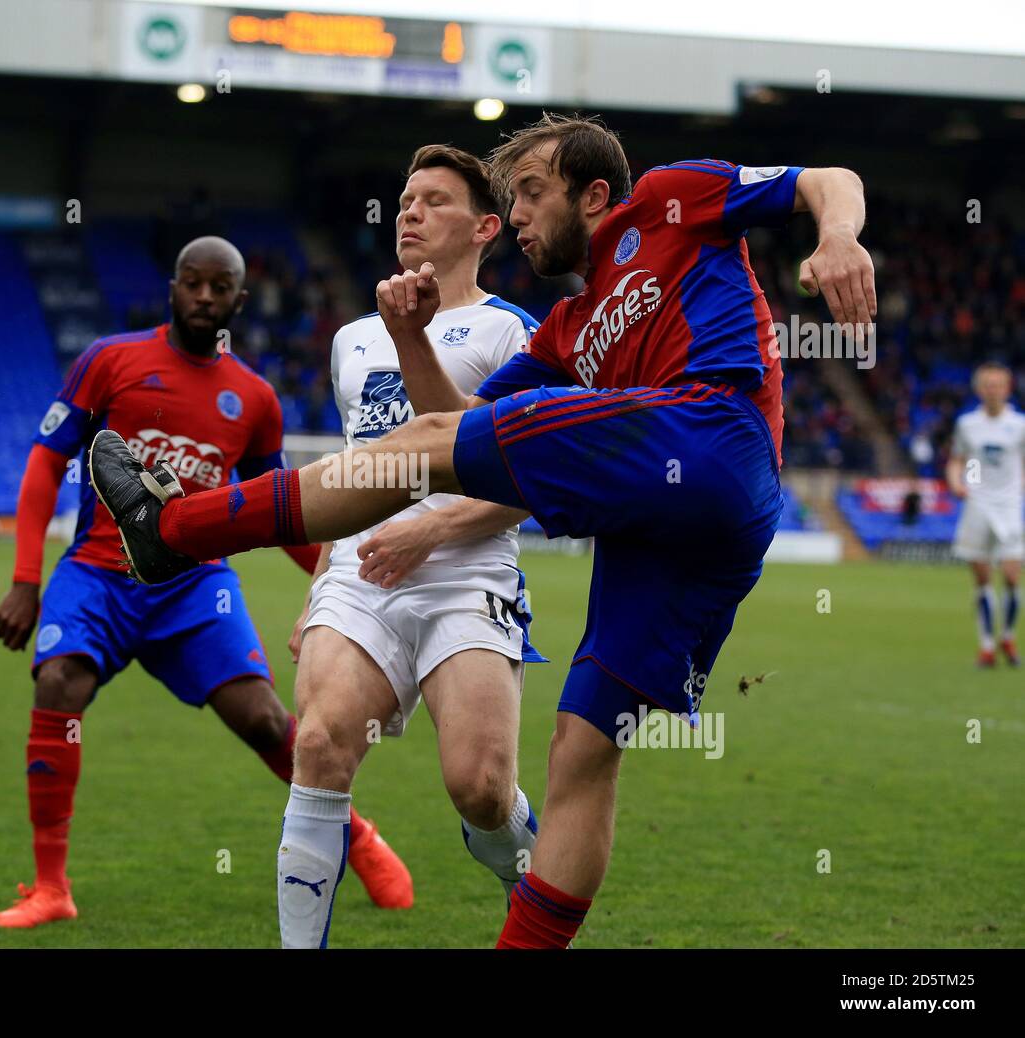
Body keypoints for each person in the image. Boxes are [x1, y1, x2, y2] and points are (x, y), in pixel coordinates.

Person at [88, 113, 876, 948]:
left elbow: (829, 178)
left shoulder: (671, 197)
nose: (523, 216)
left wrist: (837, 239)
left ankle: (174, 528)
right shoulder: (571, 332)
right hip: (680, 532)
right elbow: (454, 427)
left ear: (596, 193)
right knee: (580, 751)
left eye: (532, 193)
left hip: (710, 432)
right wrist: (409, 336)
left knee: (415, 460)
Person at [0, 235, 412, 930]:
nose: (205, 296)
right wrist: (25, 579)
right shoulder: (110, 360)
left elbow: (284, 515)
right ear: (174, 288)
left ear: (239, 301)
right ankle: (50, 887)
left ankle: (359, 838)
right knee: (57, 684)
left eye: (220, 288)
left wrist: (345, 583)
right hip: (98, 574)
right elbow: (44, 463)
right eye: (193, 283)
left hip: (193, 589)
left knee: (264, 719)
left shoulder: (254, 398)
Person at [278, 145, 546, 949]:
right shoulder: (353, 338)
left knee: (479, 787)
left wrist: (433, 524)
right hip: (360, 577)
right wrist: (318, 581)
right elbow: (356, 469)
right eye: (404, 201)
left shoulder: (518, 336)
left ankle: (521, 874)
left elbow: (531, 480)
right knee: (320, 743)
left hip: (468, 577)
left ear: (485, 227)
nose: (410, 213)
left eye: (432, 200)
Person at [946, 360, 1025, 667]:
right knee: (981, 579)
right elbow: (957, 459)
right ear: (979, 389)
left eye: (998, 385)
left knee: (1010, 575)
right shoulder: (968, 424)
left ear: (1007, 388)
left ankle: (1007, 634)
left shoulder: (1019, 425)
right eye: (988, 385)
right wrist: (957, 482)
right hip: (978, 502)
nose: (993, 390)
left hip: (1008, 505)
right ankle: (987, 644)